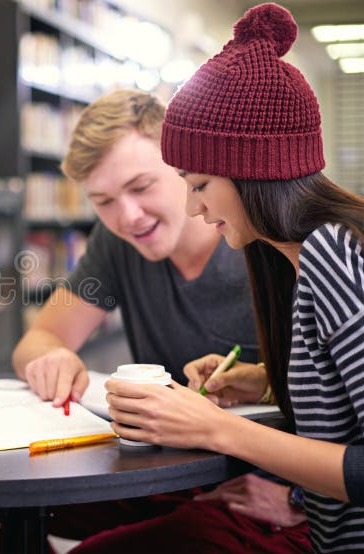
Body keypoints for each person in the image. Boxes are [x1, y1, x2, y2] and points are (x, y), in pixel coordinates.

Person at [105, 3, 364, 553]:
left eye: (199, 185)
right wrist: (262, 380)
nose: (195, 208)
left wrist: (212, 427)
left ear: (255, 171)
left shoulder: (334, 253)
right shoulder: (288, 256)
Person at [12, 89, 309, 551]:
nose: (128, 217)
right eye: (103, 201)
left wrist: (301, 499)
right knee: (12, 509)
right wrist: (51, 356)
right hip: (175, 469)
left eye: (140, 186)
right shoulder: (118, 245)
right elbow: (43, 335)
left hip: (272, 489)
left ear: (185, 169)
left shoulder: (264, 241)